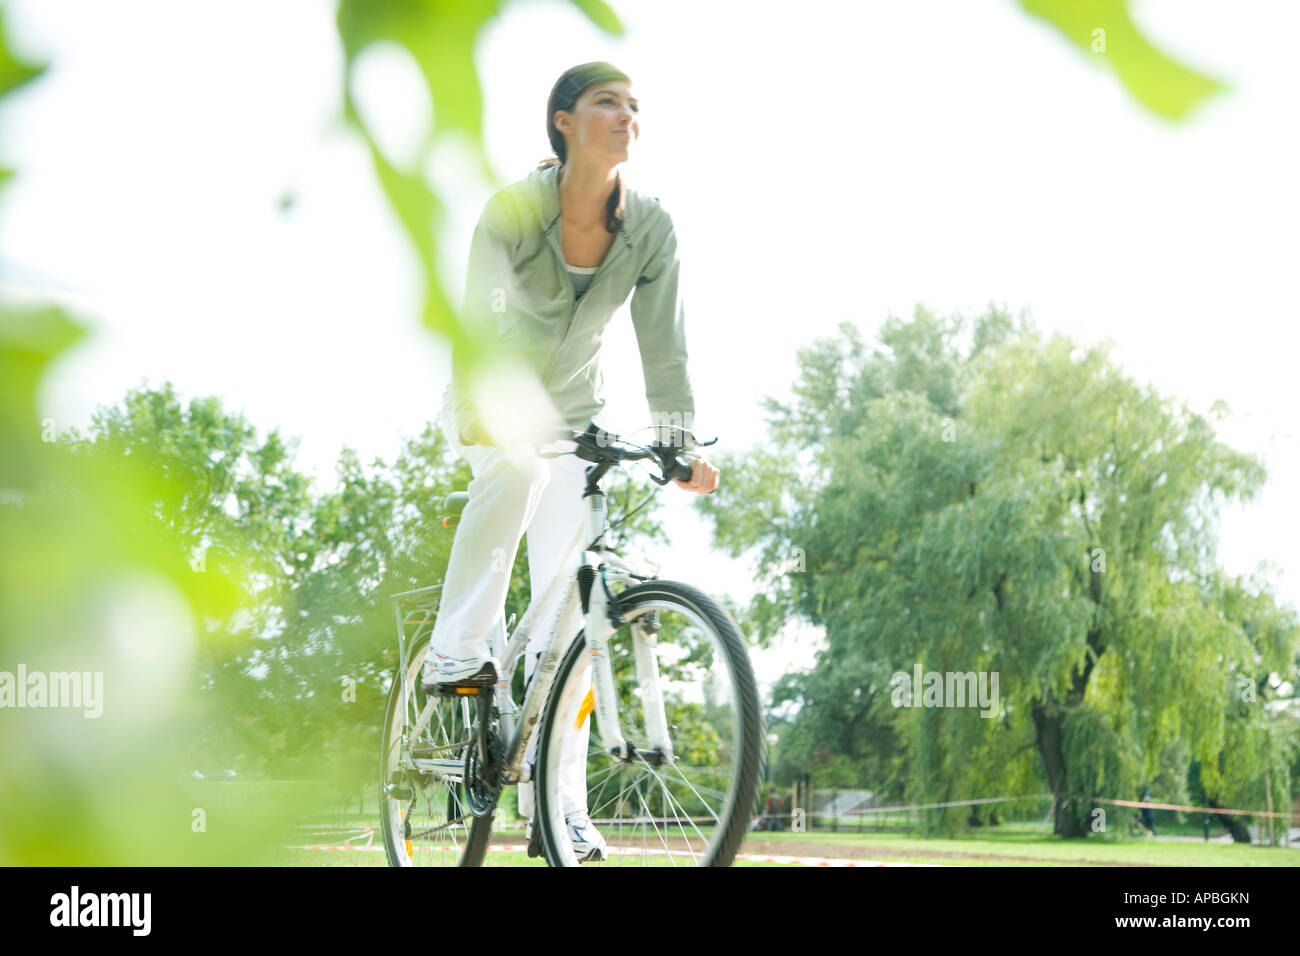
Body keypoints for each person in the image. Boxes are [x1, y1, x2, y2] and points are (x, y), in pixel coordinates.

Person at [421, 62, 720, 862]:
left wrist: (679, 440)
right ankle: (458, 646)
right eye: (606, 104)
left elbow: (665, 347)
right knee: (516, 469)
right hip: (491, 395)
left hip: (578, 416)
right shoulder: (515, 210)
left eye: (634, 107)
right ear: (562, 121)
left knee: (578, 624)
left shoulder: (651, 227)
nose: (626, 117)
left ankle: (563, 811)